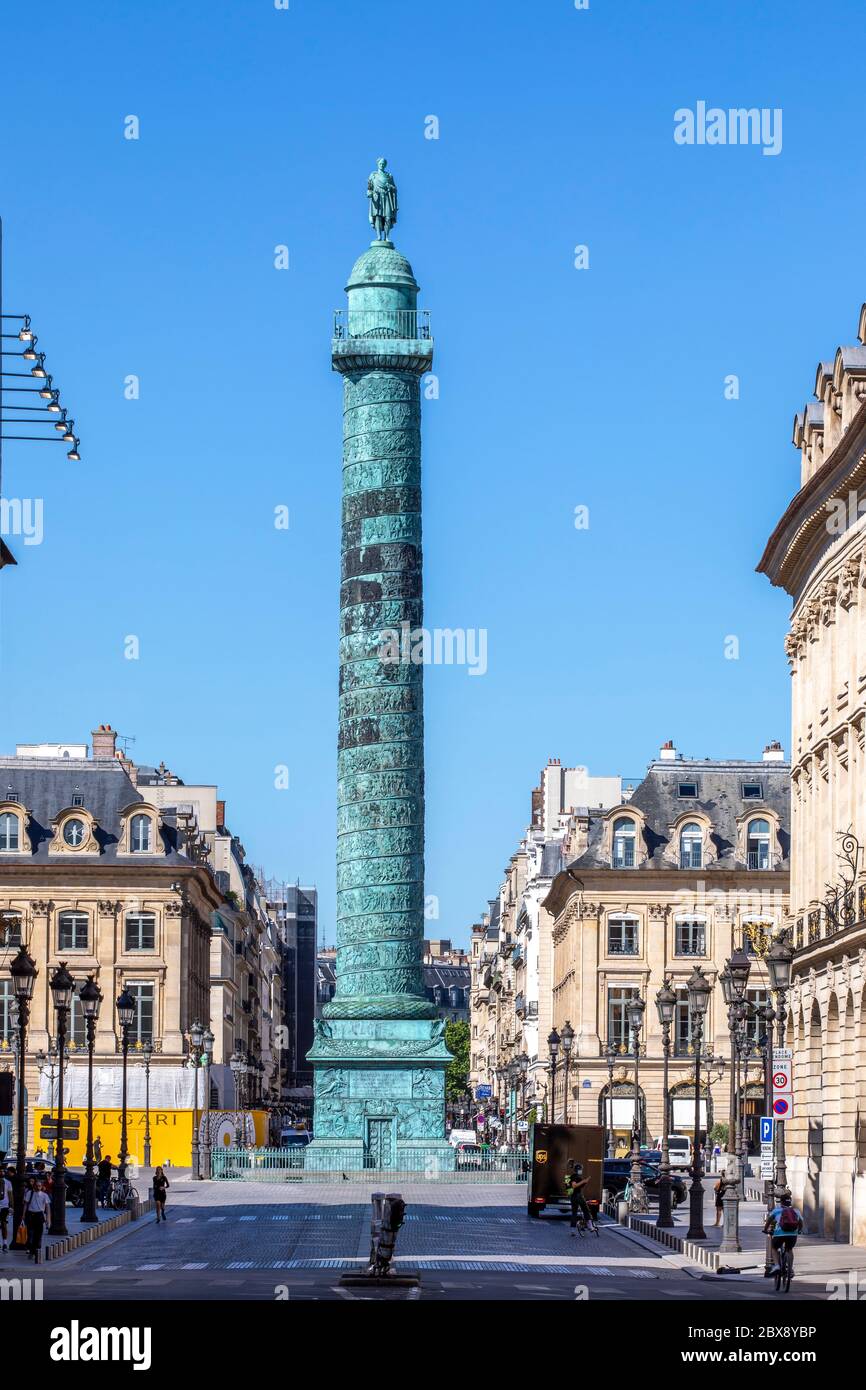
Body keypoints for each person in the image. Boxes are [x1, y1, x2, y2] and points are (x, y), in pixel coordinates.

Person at [763, 1190, 803, 1273]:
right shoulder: (796, 1211)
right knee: (789, 1249)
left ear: (781, 1202)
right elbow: (801, 1222)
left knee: (774, 1248)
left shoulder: (776, 1210)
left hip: (779, 1234)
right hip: (792, 1234)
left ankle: (777, 1265)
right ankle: (790, 1269)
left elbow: (769, 1220)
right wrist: (799, 1230)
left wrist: (765, 1229)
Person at [23, 1177, 50, 1262]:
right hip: (31, 1215)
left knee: (38, 1234)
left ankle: (36, 1250)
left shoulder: (44, 1195)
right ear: (34, 1186)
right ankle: (31, 1250)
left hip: (39, 1215)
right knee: (30, 1233)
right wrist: (23, 1215)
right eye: (36, 1186)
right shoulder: (29, 1193)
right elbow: (26, 1205)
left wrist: (48, 1219)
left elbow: (47, 1208)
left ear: (41, 1187)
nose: (38, 1187)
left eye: (39, 1186)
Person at [565, 1160, 594, 1235]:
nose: (581, 1171)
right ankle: (590, 1226)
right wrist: (584, 1181)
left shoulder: (572, 1176)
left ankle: (572, 1230)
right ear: (578, 1170)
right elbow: (574, 1186)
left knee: (574, 1213)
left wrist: (585, 1182)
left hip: (573, 1197)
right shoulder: (575, 1176)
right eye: (581, 1170)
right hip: (578, 1196)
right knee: (586, 1210)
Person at [0, 1166, 12, 1251]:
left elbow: (10, 1195)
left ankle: (4, 1243)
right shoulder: (7, 1182)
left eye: (2, 1171)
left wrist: (11, 1206)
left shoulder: (8, 1183)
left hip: (5, 1206)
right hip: (4, 1205)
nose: (1, 1173)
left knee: (4, 1224)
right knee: (3, 1224)